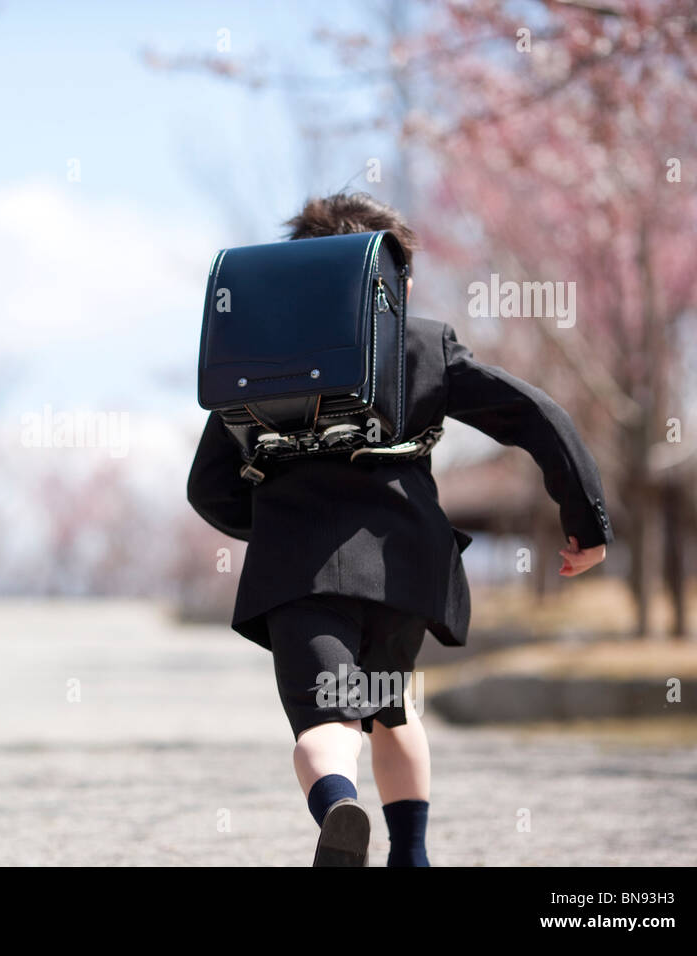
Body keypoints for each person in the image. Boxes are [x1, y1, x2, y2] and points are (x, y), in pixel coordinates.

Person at [186, 192, 613, 867]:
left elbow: (207, 487)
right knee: (389, 707)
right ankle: (409, 854)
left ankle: (338, 808)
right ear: (393, 281)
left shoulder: (257, 364)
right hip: (404, 569)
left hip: (300, 570)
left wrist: (272, 523)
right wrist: (585, 519)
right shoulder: (423, 344)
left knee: (327, 722)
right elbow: (533, 414)